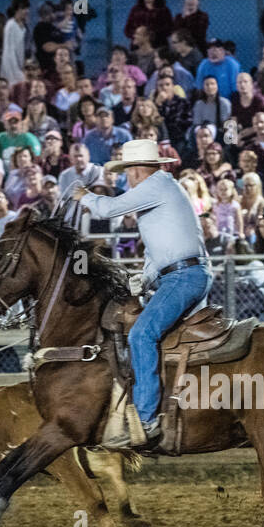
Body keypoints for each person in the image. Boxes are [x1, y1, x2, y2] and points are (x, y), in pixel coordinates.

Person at [72, 139, 213, 449]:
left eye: (126, 172)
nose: (126, 178)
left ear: (136, 170)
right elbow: (155, 252)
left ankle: (145, 421)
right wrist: (145, 278)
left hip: (182, 277)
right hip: (183, 274)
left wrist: (85, 196)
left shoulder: (157, 184)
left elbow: (108, 208)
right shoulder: (163, 190)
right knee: (159, 337)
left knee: (141, 334)